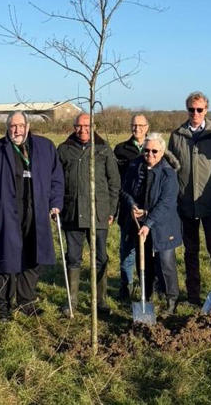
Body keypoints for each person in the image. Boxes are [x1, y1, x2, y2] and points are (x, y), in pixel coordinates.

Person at [0, 111, 64, 321]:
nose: (17, 130)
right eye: (13, 126)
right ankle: (3, 305)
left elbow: (57, 179)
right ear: (7, 127)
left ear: (28, 126)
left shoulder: (45, 147)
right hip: (5, 213)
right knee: (5, 259)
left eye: (21, 125)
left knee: (33, 256)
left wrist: (56, 204)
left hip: (36, 211)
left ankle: (26, 301)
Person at [168, 91, 211, 306]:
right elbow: (171, 168)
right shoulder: (177, 135)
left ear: (206, 110)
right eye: (191, 109)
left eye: (199, 109)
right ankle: (193, 296)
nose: (195, 113)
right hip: (186, 204)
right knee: (191, 252)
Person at [58, 113, 120, 314]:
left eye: (87, 126)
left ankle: (100, 301)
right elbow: (56, 181)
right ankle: (71, 301)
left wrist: (111, 210)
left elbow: (114, 182)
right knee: (72, 257)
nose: (83, 130)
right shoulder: (64, 149)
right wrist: (57, 206)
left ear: (93, 126)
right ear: (73, 127)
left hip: (98, 213)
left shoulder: (103, 149)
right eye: (79, 126)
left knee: (100, 257)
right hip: (72, 212)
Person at [120, 133, 182, 314]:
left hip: (163, 225)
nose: (150, 154)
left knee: (165, 263)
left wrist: (149, 220)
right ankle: (145, 297)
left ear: (162, 152)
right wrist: (132, 205)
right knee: (143, 261)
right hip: (139, 223)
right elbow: (125, 190)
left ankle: (171, 299)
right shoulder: (135, 167)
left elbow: (166, 202)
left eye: (155, 151)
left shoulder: (168, 173)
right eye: (147, 150)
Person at [113, 114, 149, 300]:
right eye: (134, 125)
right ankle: (126, 285)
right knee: (127, 249)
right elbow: (116, 180)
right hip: (128, 207)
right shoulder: (121, 149)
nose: (137, 128)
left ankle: (147, 287)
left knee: (148, 250)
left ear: (147, 127)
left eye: (141, 125)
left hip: (149, 208)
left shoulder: (154, 147)